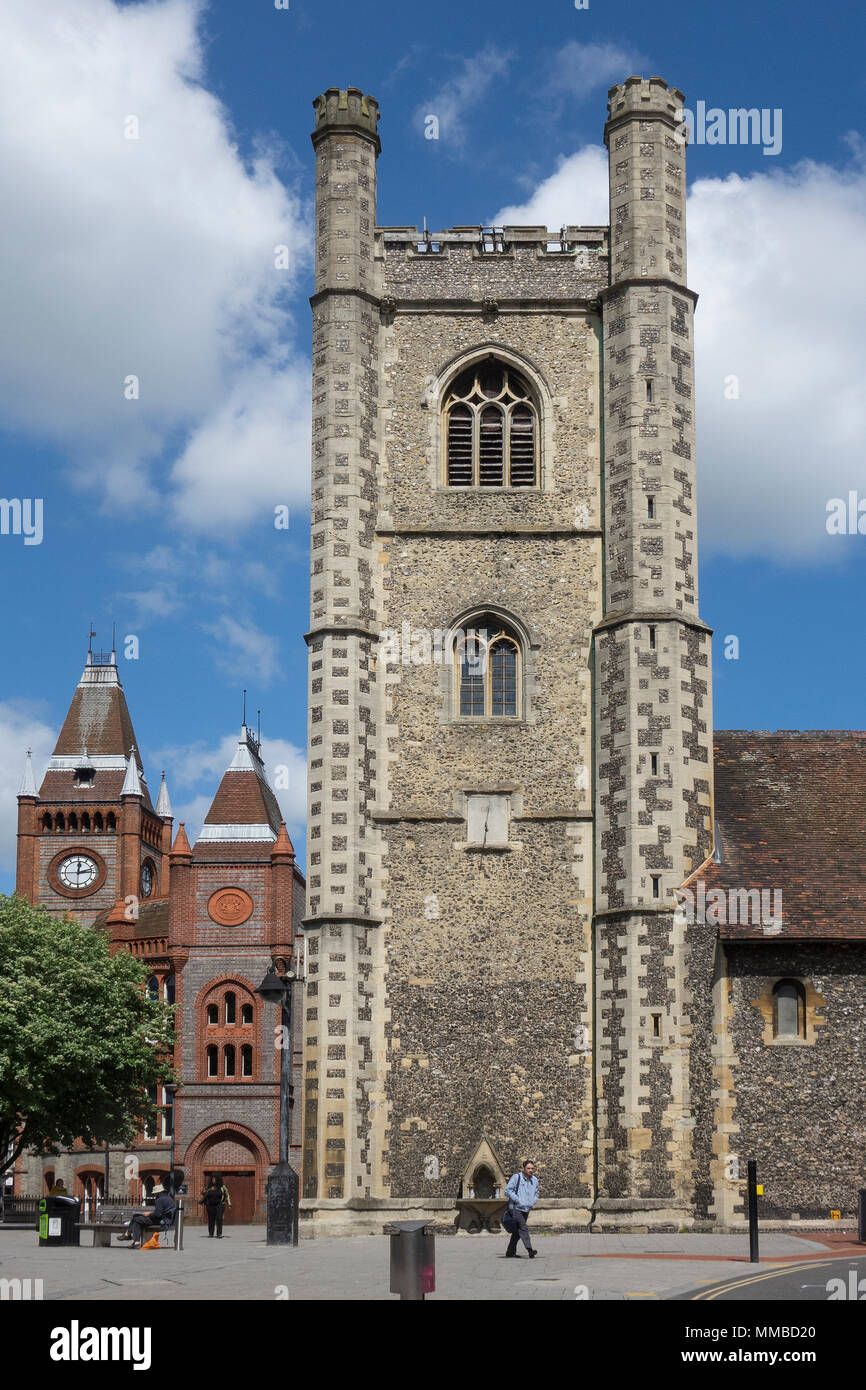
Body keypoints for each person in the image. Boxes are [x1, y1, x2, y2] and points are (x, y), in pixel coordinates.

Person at [121, 1183, 176, 1249]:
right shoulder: (168, 1198)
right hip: (167, 1220)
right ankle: (135, 1241)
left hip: (162, 1221)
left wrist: (149, 1214)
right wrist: (150, 1213)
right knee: (137, 1222)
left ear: (157, 1193)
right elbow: (161, 1212)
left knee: (136, 1217)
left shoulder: (160, 1200)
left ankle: (128, 1234)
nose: (154, 1195)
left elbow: (158, 1215)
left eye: (155, 1193)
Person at [504, 1160, 539, 1258]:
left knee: (517, 1231)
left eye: (532, 1168)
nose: (531, 1170)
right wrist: (517, 1200)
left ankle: (510, 1252)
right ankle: (530, 1249)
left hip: (526, 1208)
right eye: (528, 1168)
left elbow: (536, 1193)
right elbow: (507, 1191)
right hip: (515, 1208)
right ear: (523, 1169)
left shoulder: (534, 1180)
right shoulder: (516, 1177)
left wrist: (533, 1201)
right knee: (523, 1227)